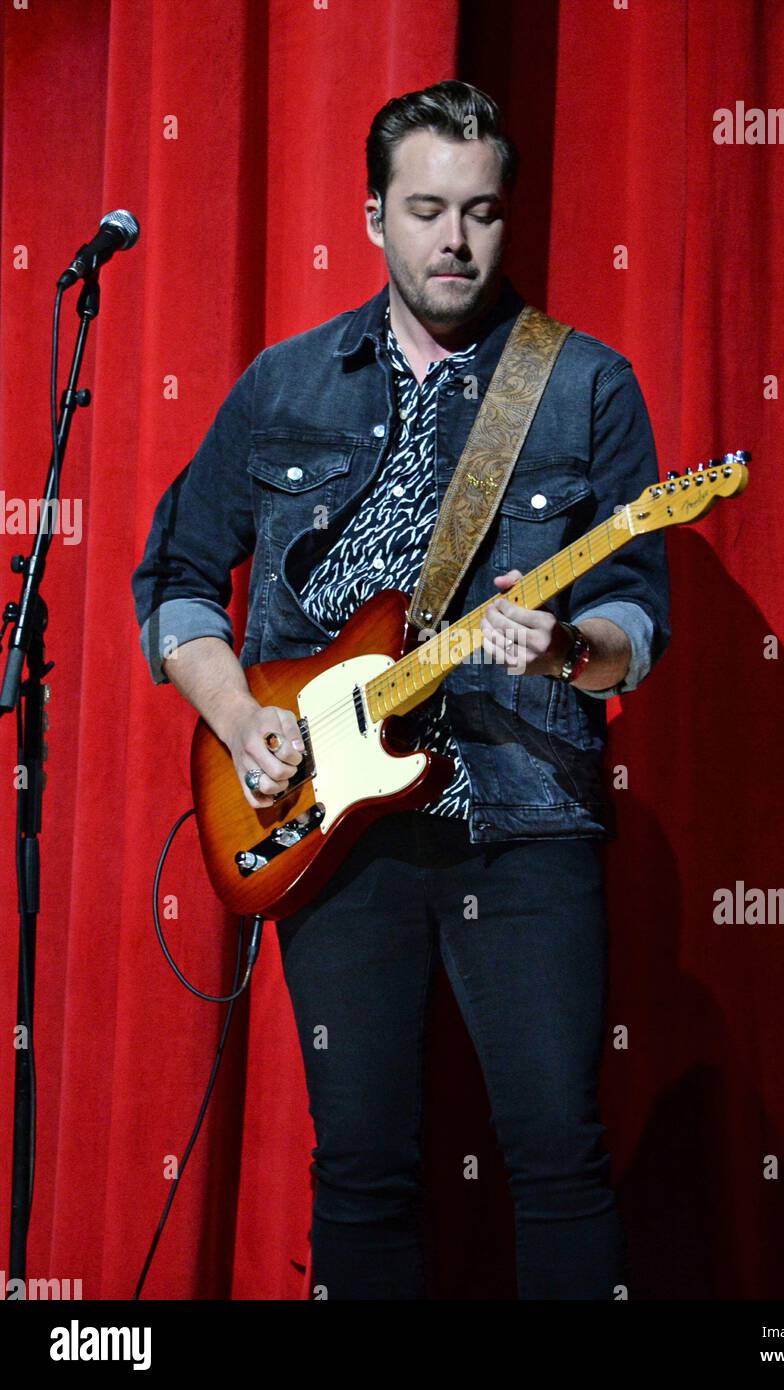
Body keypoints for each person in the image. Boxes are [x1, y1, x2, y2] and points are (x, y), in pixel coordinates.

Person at [132, 79, 670, 1300]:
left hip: (524, 821)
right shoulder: (285, 385)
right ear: (373, 214)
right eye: (426, 209)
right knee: (363, 1168)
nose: (454, 241)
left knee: (560, 1163)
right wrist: (238, 716)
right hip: (328, 819)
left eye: (479, 212)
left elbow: (641, 618)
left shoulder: (584, 385)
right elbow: (172, 576)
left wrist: (564, 649)